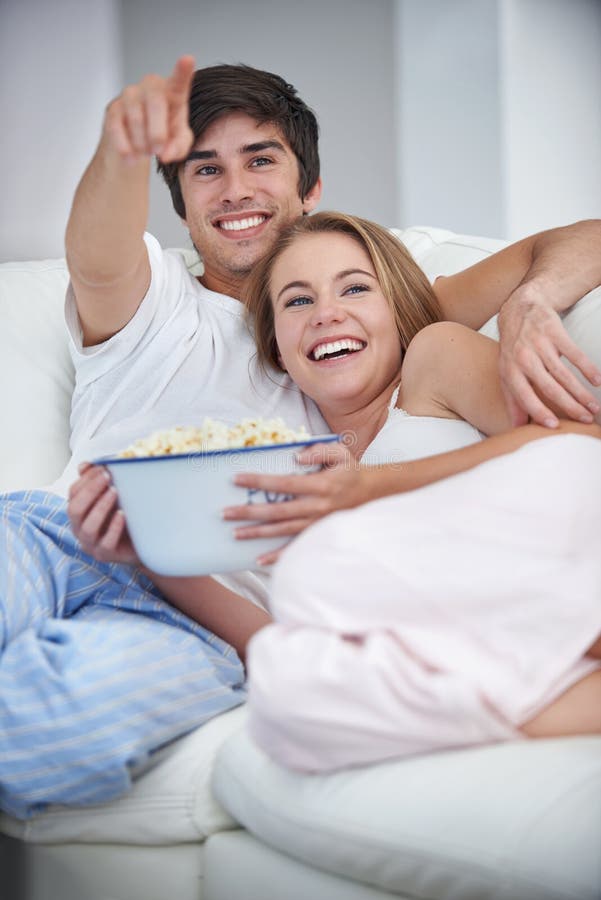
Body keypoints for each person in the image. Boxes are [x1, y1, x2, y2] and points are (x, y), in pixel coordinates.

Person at [1, 55, 600, 820]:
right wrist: (123, 150)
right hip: (58, 534)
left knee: (45, 732)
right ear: (180, 204)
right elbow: (96, 252)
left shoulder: (368, 327)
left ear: (308, 187)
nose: (234, 188)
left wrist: (529, 302)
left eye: (261, 160)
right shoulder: (153, 300)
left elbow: (581, 239)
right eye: (204, 170)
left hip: (193, 616)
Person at [230, 210, 601, 770]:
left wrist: (371, 486)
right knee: (284, 679)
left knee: (314, 571)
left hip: (560, 542)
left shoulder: (432, 357)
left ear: (398, 312)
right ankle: (562, 696)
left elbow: (579, 442)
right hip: (476, 626)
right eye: (298, 301)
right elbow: (281, 630)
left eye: (355, 288)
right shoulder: (308, 473)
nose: (326, 313)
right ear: (277, 348)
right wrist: (152, 562)